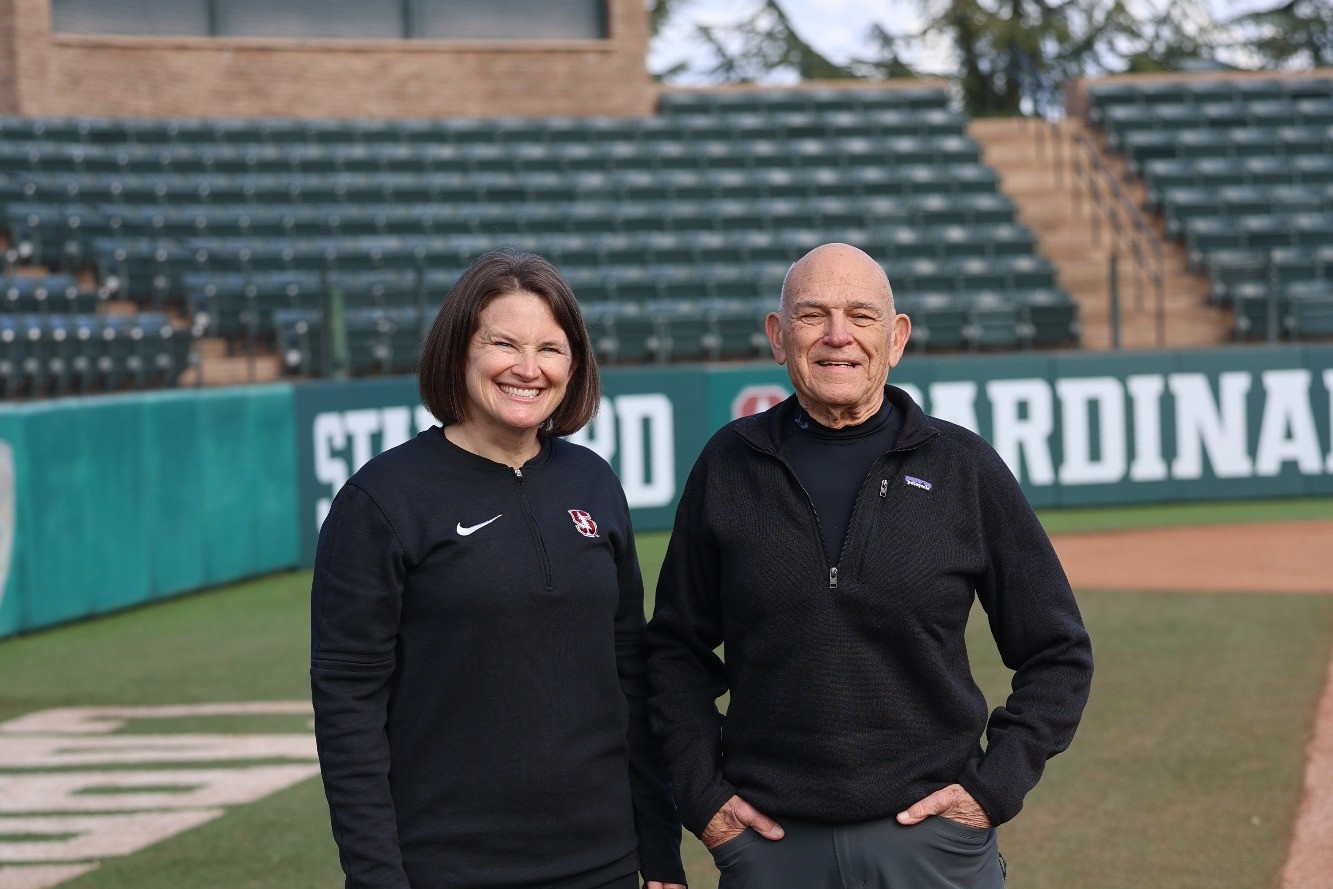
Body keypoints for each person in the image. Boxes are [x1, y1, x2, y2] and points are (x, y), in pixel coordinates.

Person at [645, 242, 1093, 888]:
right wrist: (702, 797)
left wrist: (991, 788)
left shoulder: (962, 468)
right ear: (777, 336)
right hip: (770, 850)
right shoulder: (727, 465)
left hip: (932, 849)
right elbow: (674, 651)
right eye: (811, 315)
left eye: (859, 315)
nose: (836, 335)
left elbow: (1058, 651)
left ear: (896, 337)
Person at [310, 249, 687, 889]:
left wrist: (659, 854)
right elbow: (348, 707)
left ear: (576, 364)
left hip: (606, 866)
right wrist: (377, 877)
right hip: (445, 867)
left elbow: (631, 677)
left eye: (551, 348)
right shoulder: (382, 500)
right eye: (504, 343)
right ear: (460, 350)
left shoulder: (594, 482)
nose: (528, 369)